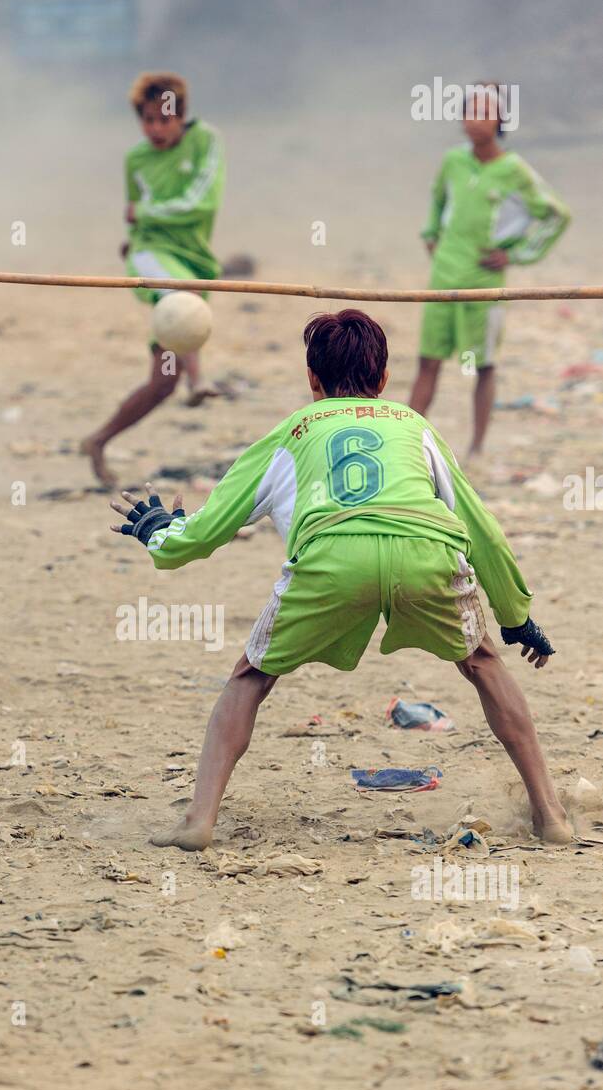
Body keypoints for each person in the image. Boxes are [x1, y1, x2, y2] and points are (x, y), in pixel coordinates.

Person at [110, 309, 571, 850]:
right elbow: (483, 531)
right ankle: (551, 815)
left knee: (250, 677)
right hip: (426, 552)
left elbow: (207, 531)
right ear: (383, 380)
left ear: (312, 379)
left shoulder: (292, 431)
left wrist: (160, 536)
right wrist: (516, 616)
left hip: (333, 557)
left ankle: (198, 820)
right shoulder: (413, 425)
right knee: (482, 660)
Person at [409, 84, 570, 458]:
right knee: (427, 360)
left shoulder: (514, 170)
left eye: (485, 112)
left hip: (484, 281)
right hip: (443, 275)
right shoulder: (453, 161)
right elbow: (437, 201)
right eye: (469, 112)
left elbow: (557, 215)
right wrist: (430, 236)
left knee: (483, 365)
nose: (474, 120)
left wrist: (516, 254)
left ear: (501, 121)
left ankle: (477, 447)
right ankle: (407, 444)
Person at [81, 72, 225, 487]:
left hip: (192, 260)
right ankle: (199, 380)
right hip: (152, 257)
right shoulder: (136, 160)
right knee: (183, 299)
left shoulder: (206, 142)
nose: (156, 129)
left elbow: (202, 201)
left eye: (164, 120)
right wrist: (135, 238)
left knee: (163, 382)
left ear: (181, 116)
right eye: (148, 121)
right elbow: (136, 214)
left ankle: (98, 440)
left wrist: (141, 215)